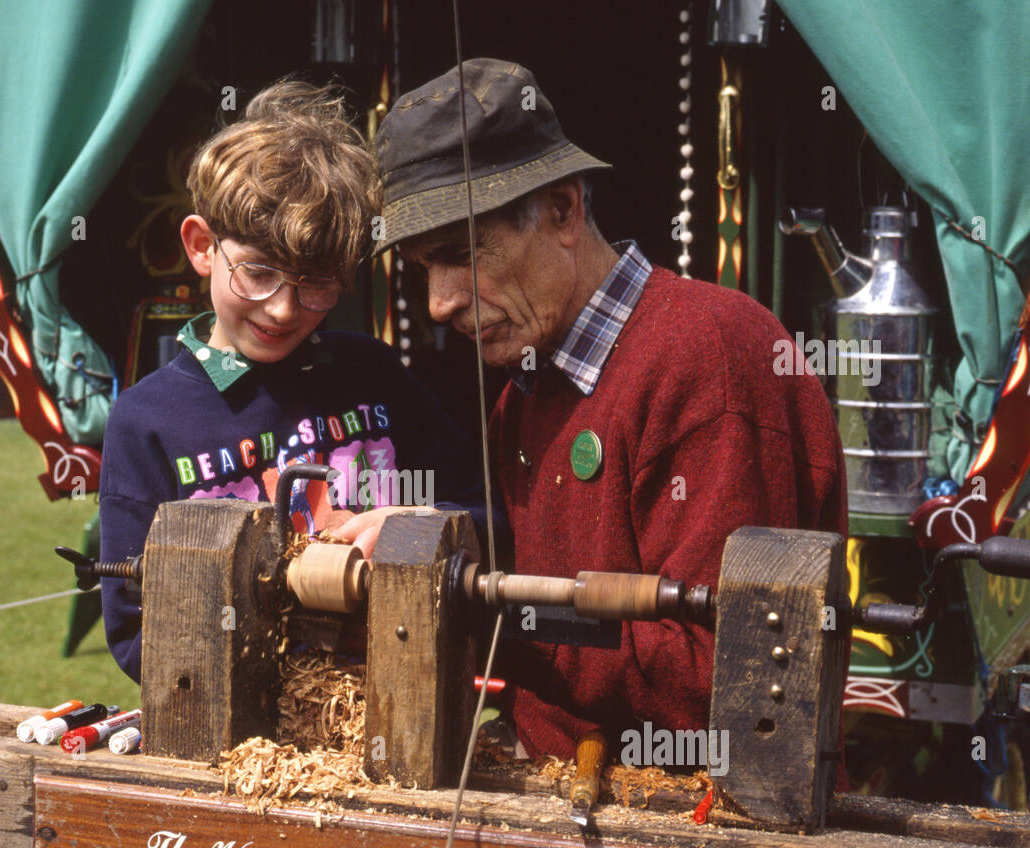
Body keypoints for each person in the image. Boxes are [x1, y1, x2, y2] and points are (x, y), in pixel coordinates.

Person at [370, 59, 848, 760]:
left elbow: (733, 685)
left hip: (693, 831)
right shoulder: (527, 391)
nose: (440, 302)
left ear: (564, 209)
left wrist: (474, 612)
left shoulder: (711, 358)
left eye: (462, 254)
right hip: (564, 808)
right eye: (422, 269)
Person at [98, 79, 489, 685]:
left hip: (398, 698)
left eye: (315, 283)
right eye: (258, 272)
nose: (283, 309)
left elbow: (484, 511)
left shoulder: (374, 376)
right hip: (234, 730)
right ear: (203, 247)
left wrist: (420, 528)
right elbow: (133, 627)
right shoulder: (147, 422)